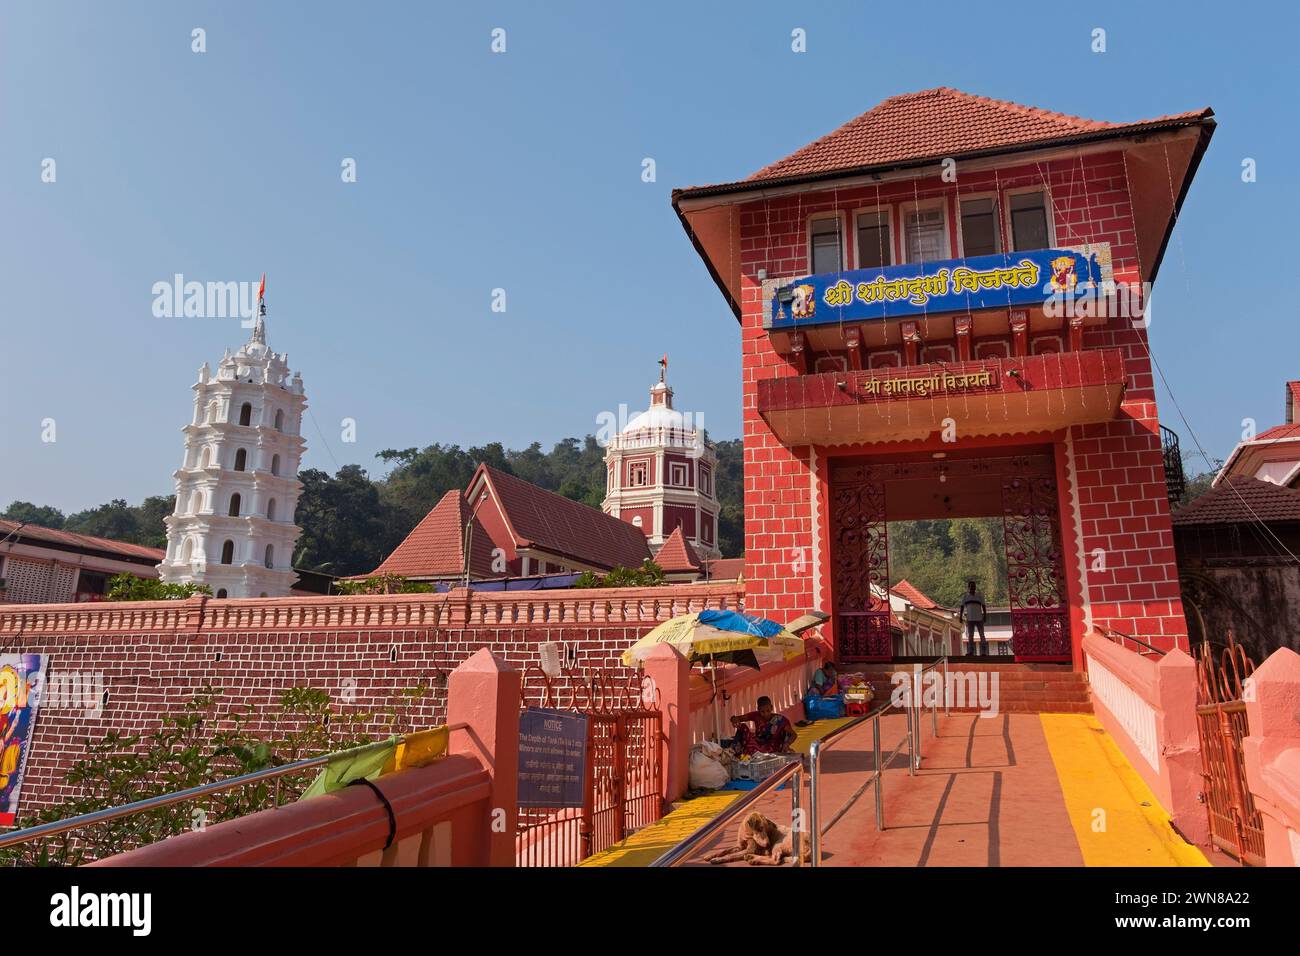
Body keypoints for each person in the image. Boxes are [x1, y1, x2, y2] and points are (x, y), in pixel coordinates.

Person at [728, 696, 797, 756]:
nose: (766, 714)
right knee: (742, 727)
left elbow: (793, 734)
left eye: (768, 710)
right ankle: (737, 751)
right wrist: (734, 720)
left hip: (773, 747)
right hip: (757, 743)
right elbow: (737, 718)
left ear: (771, 707)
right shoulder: (756, 715)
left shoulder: (780, 720)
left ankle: (749, 752)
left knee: (752, 749)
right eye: (762, 712)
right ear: (758, 710)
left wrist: (787, 744)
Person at [959, 579, 988, 656]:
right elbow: (962, 607)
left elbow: (984, 607)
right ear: (968, 587)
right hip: (970, 619)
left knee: (982, 635)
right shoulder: (965, 596)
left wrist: (985, 616)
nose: (973, 588)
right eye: (971, 586)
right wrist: (960, 616)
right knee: (970, 636)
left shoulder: (980, 595)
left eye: (974, 586)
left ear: (975, 587)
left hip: (979, 618)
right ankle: (971, 652)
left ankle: (984, 652)